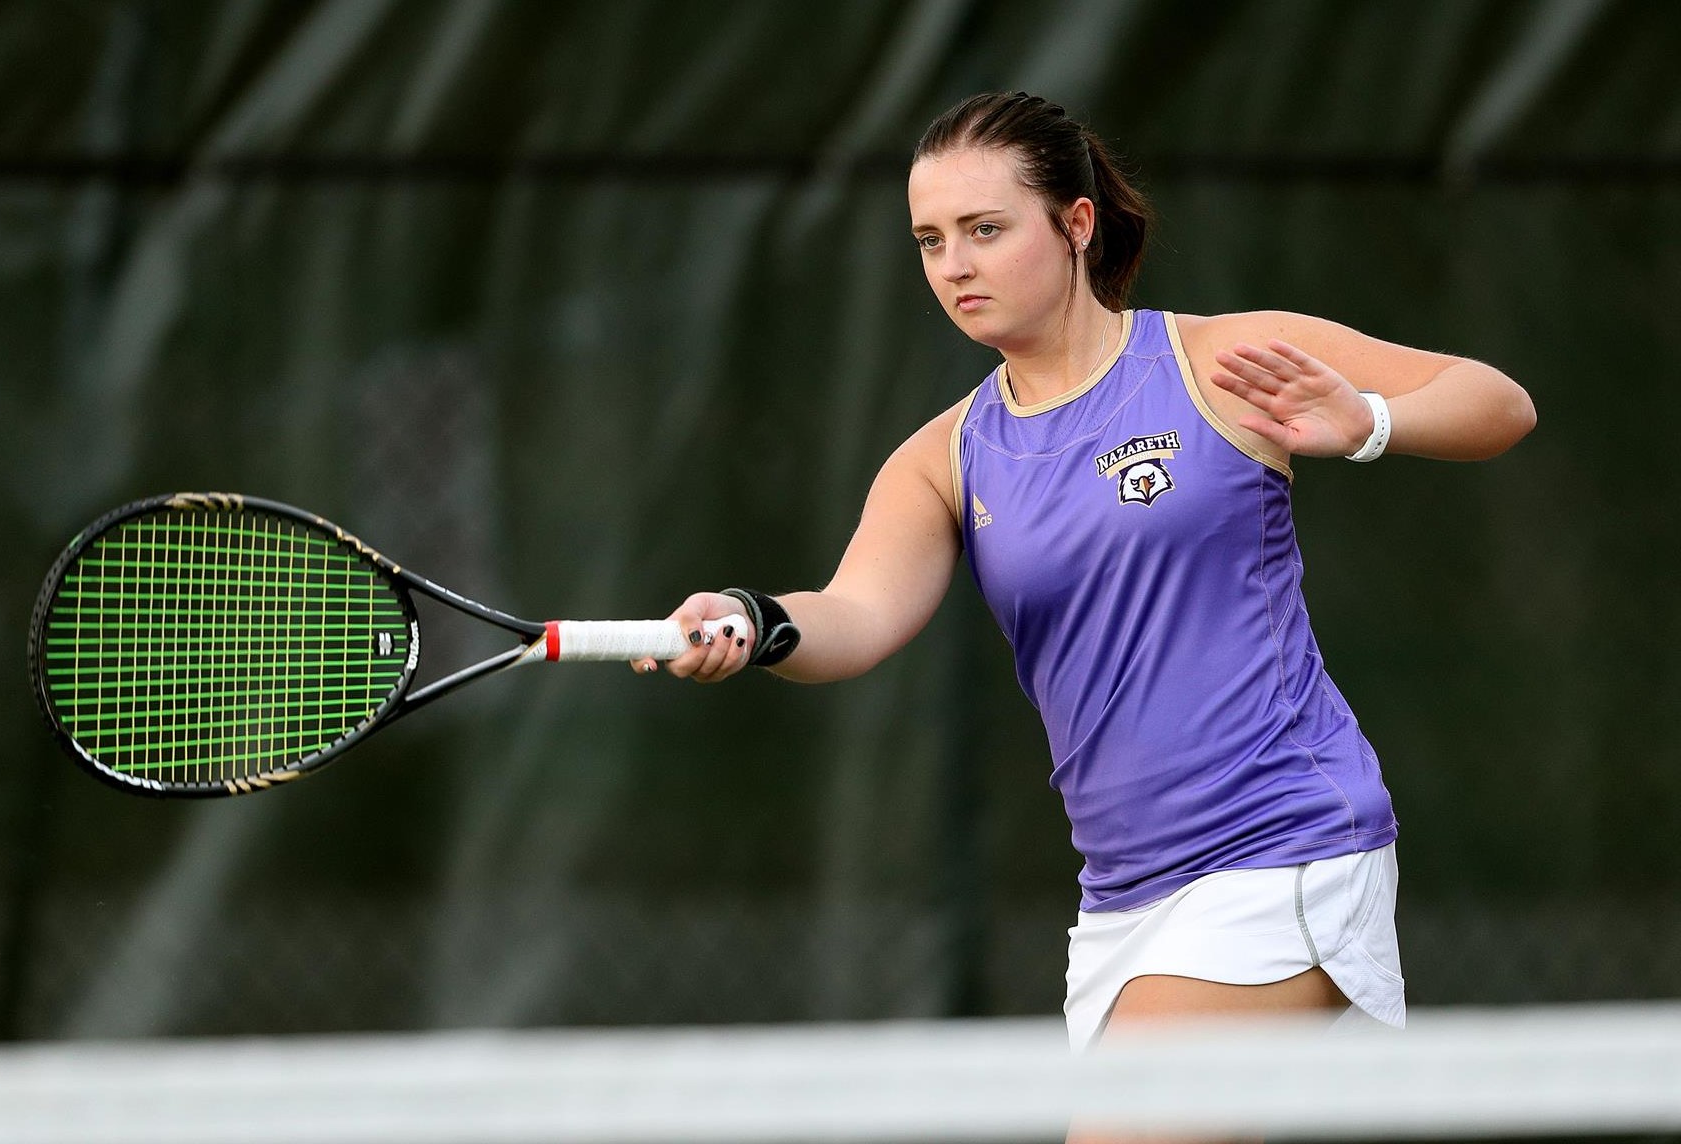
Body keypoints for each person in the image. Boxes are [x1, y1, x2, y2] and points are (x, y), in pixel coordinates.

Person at [633, 92, 1536, 1058]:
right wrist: (752, 619)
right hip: (1121, 900)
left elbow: (1495, 402)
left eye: (985, 230)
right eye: (931, 240)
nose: (956, 266)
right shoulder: (943, 456)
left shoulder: (1218, 361)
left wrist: (1368, 423)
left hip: (1280, 849)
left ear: (1075, 223)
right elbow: (855, 614)